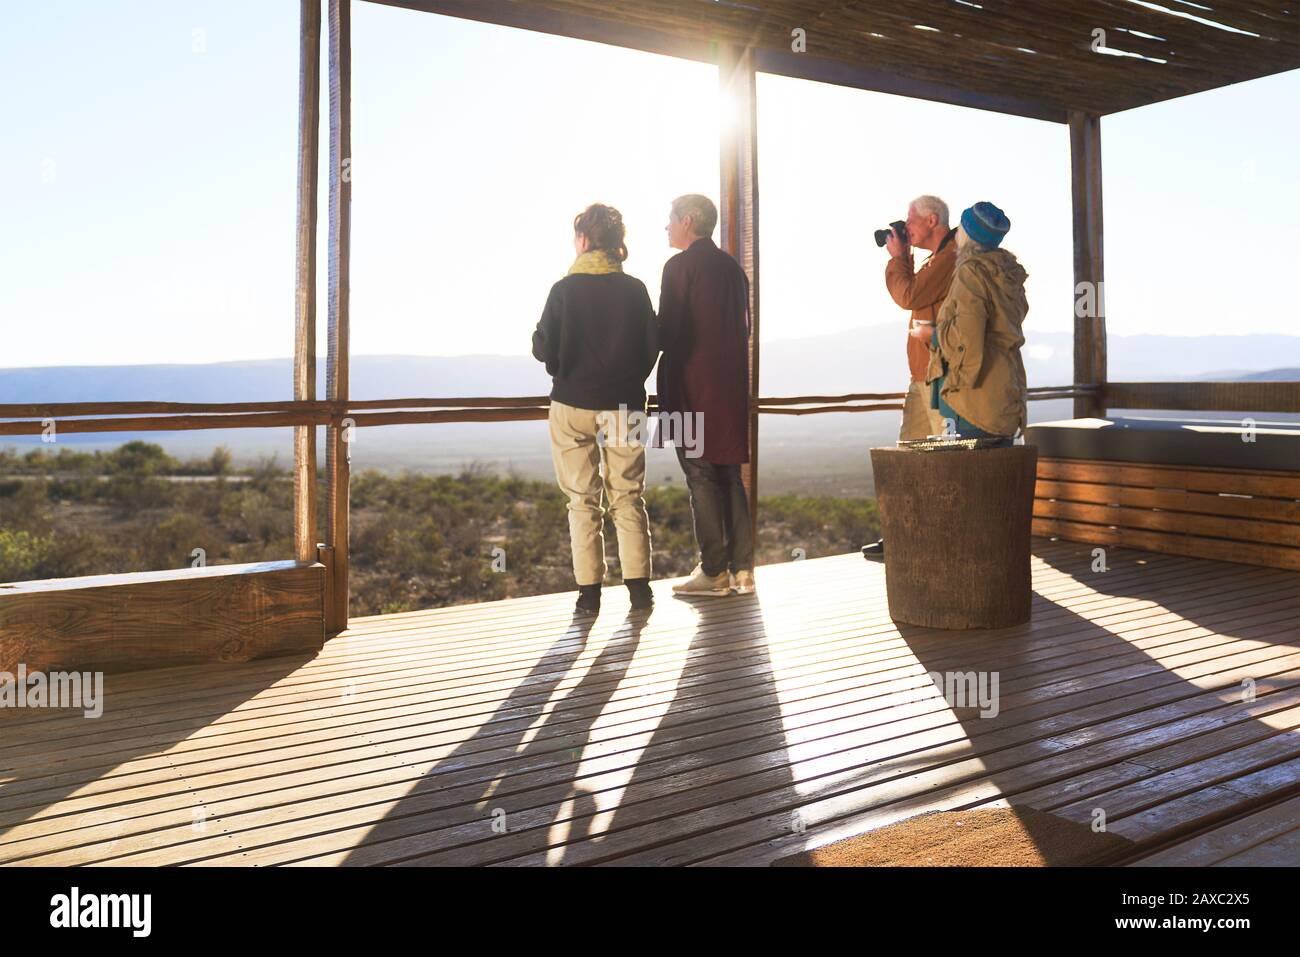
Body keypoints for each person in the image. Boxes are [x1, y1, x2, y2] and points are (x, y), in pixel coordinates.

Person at [532, 203, 659, 615]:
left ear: (584, 240)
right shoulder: (634, 289)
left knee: (581, 500)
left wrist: (563, 364)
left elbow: (543, 348)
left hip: (572, 402)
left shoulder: (563, 291)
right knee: (628, 496)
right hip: (625, 402)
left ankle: (589, 595)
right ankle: (640, 590)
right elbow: (651, 345)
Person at [657, 194, 756, 597]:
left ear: (690, 220)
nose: (666, 226)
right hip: (730, 389)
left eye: (670, 218)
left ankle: (713, 572)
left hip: (690, 390)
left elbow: (668, 332)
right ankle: (743, 571)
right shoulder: (734, 270)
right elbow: (744, 328)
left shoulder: (680, 267)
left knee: (699, 475)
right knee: (729, 475)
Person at [863, 194, 957, 560]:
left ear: (932, 220)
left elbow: (910, 295)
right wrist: (907, 259)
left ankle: (942, 540)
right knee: (910, 457)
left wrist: (898, 260)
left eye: (910, 221)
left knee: (941, 461)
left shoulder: (950, 257)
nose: (906, 228)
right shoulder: (936, 259)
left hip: (941, 378)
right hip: (922, 376)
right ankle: (905, 534)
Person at [919, 200, 1028, 442]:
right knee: (999, 474)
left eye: (960, 227)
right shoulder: (1007, 275)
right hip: (1003, 394)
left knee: (965, 476)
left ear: (967, 234)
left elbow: (968, 336)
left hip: (972, 403)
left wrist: (934, 335)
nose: (956, 232)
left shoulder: (971, 272)